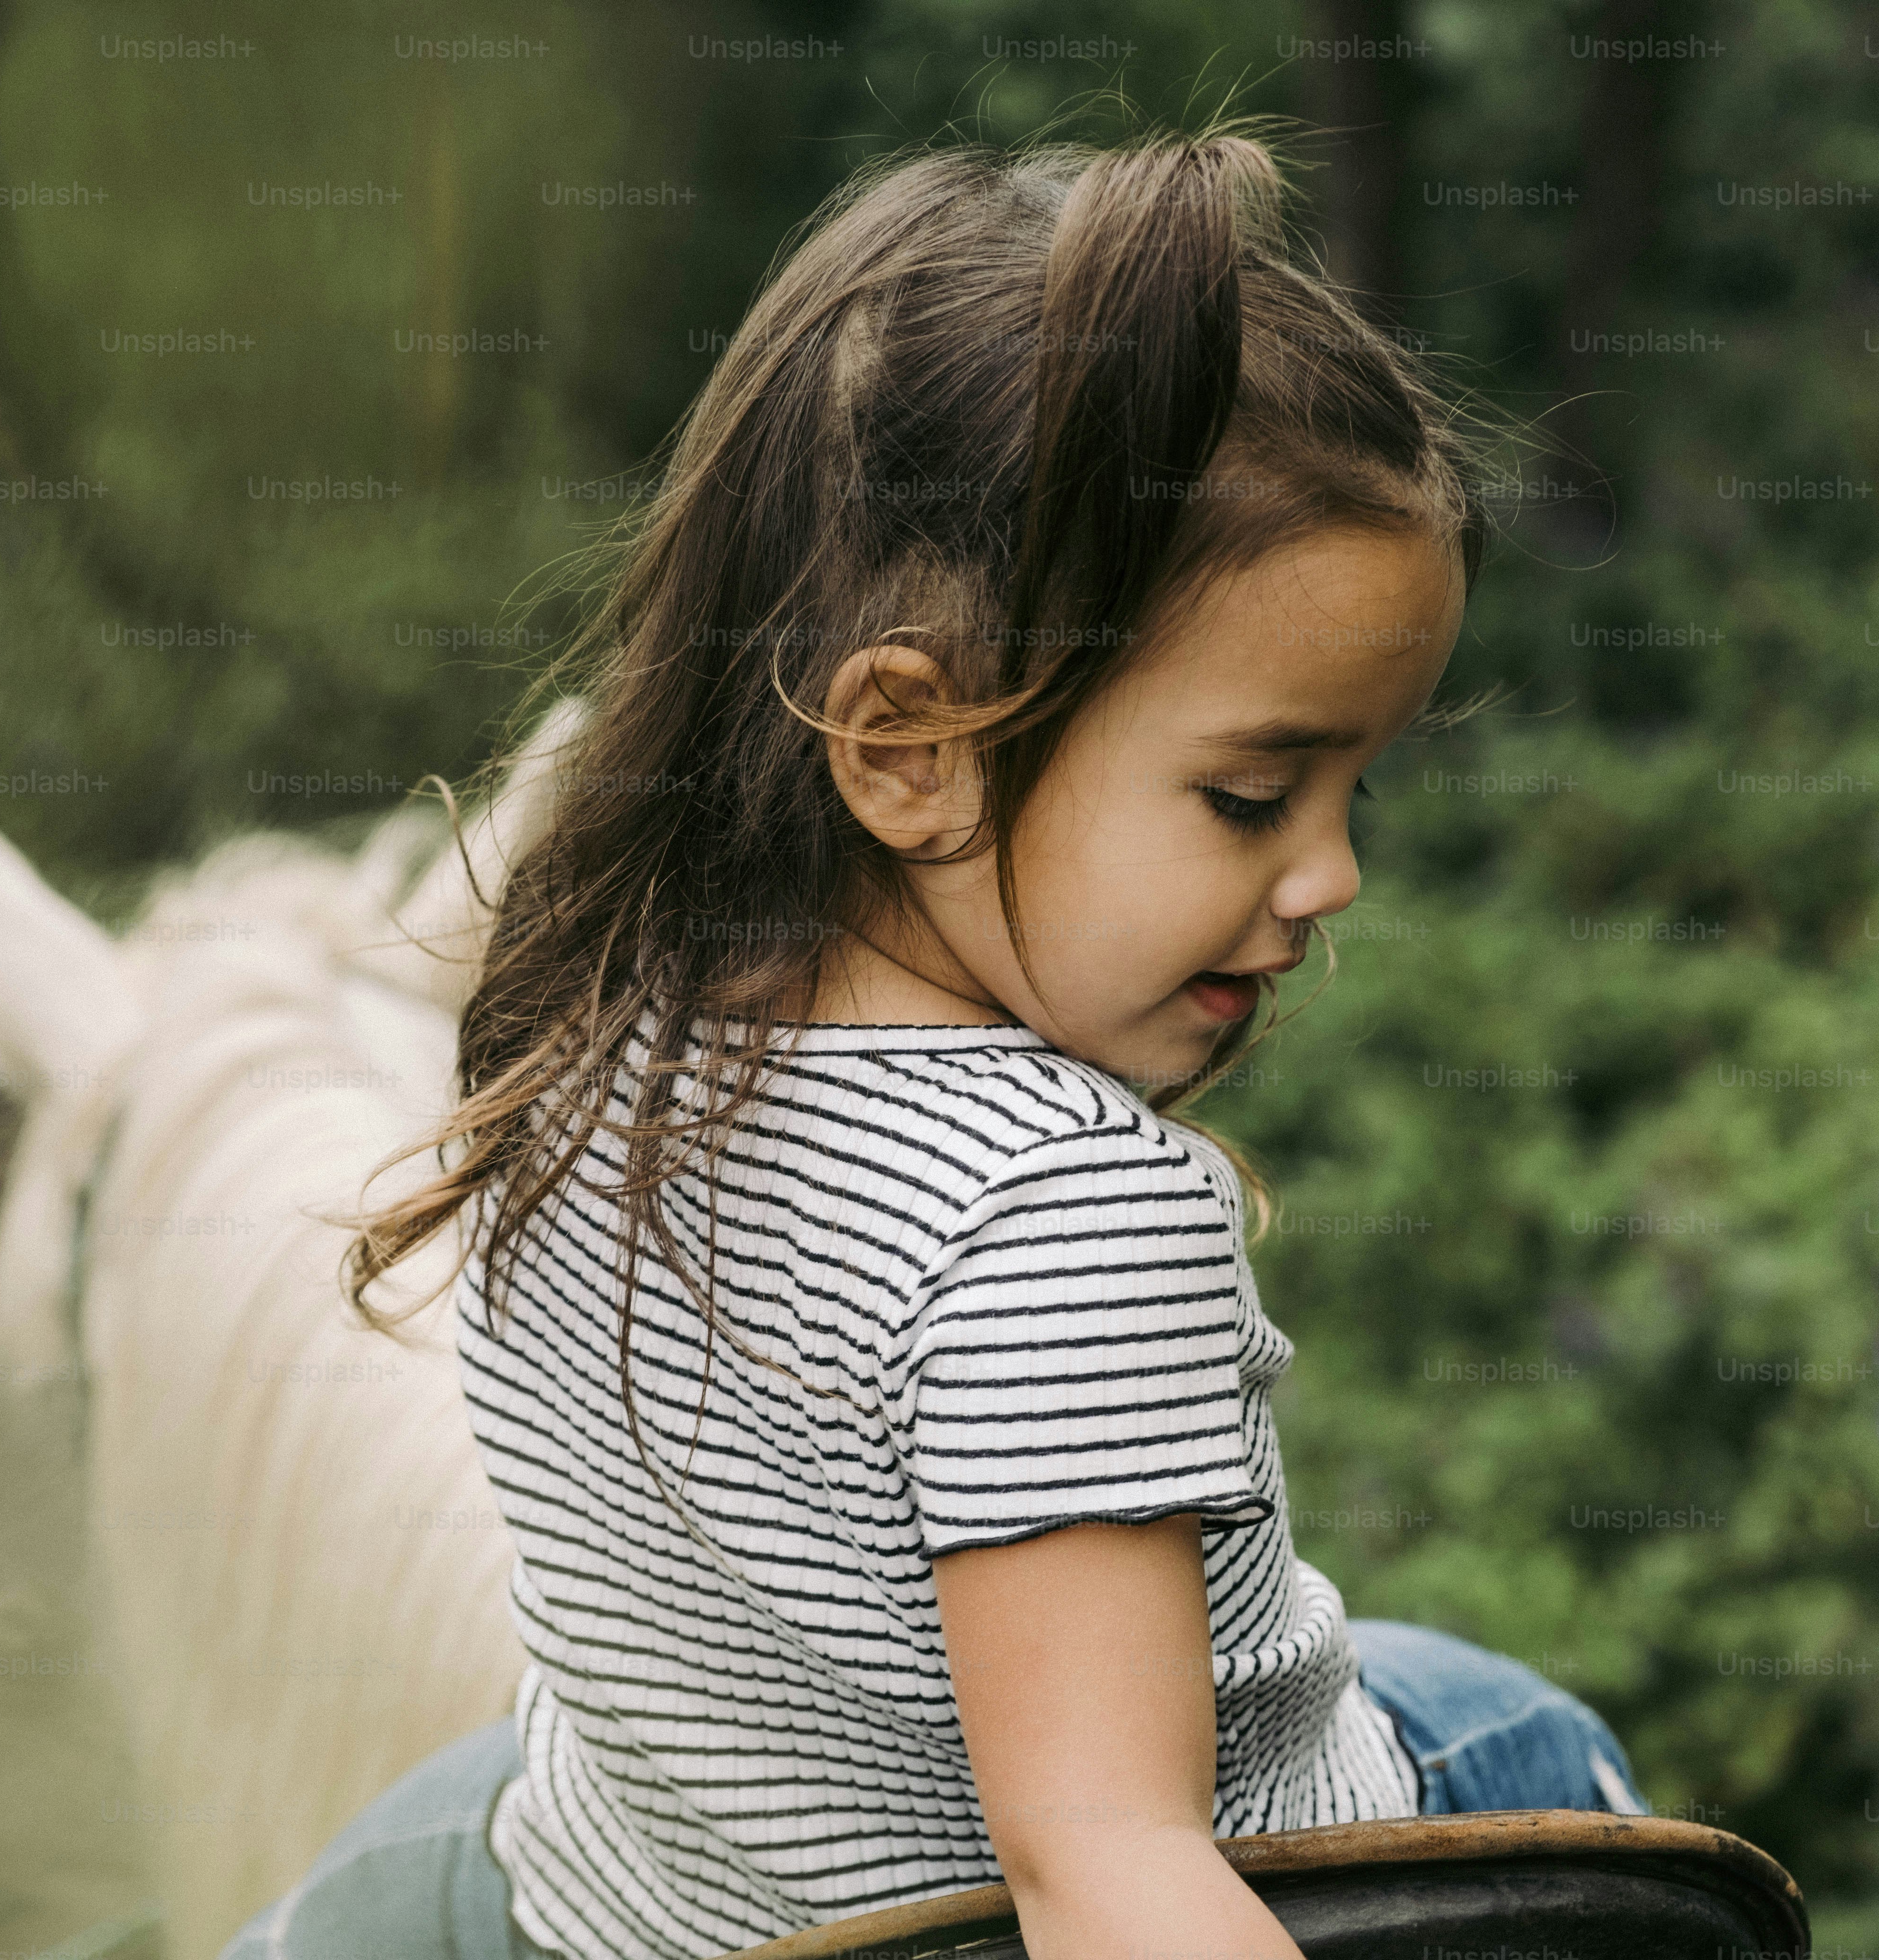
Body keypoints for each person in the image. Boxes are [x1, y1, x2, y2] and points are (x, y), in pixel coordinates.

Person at [224, 124, 1643, 1960]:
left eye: (1355, 786)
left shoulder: (578, 1046)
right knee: (1532, 1732)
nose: (1332, 876)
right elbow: (1107, 1864)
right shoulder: (1055, 1211)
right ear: (907, 744)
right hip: (1138, 1887)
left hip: (658, 1901)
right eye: (1251, 792)